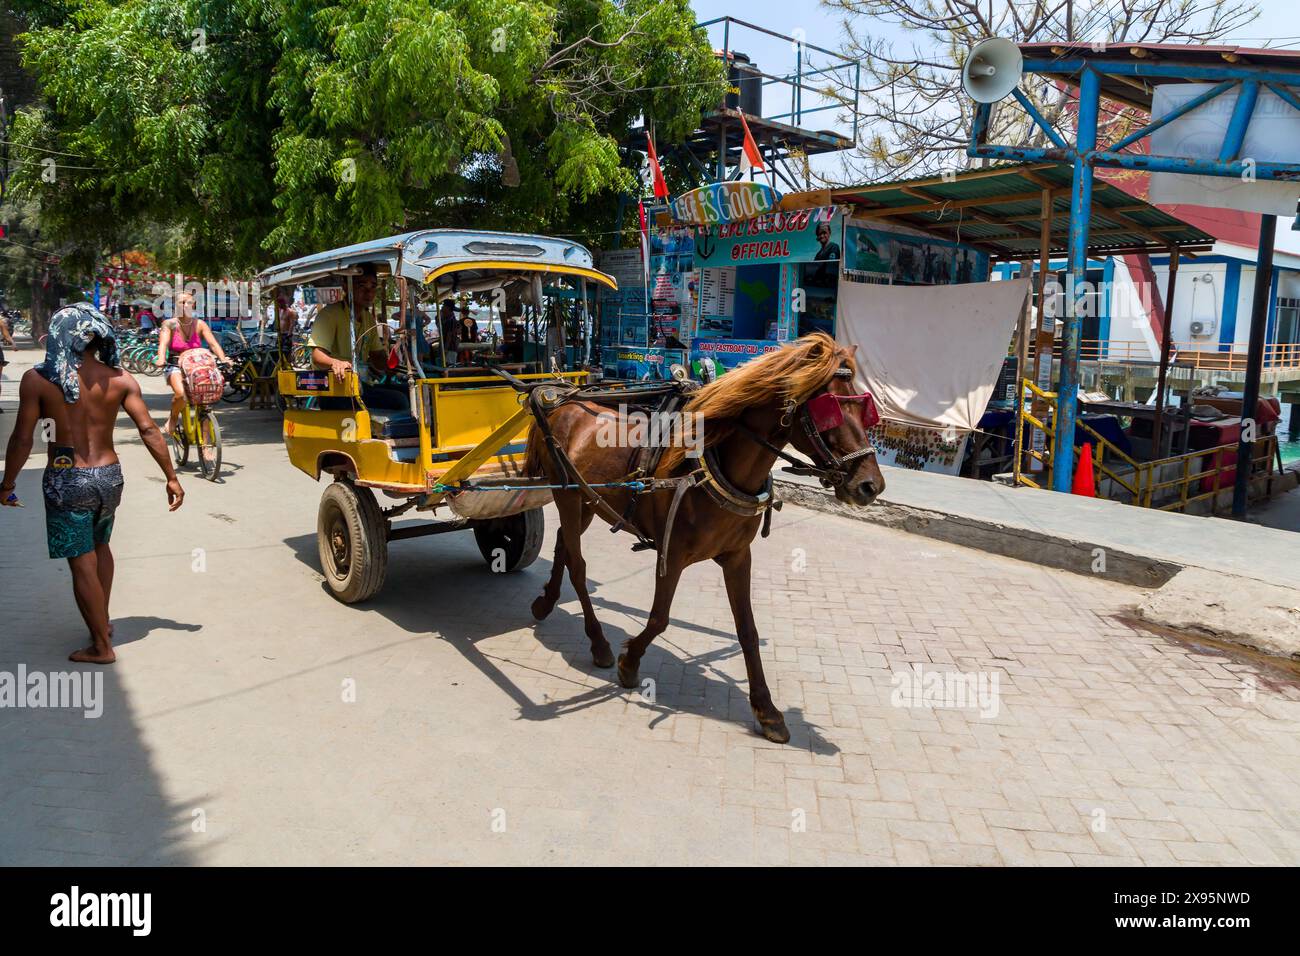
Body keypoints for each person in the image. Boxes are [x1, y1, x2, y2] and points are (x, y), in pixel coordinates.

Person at [1, 303, 184, 664]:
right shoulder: (120, 379)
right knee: (101, 546)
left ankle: (101, 645)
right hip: (109, 477)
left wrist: (7, 483)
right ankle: (102, 620)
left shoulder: (38, 381)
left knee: (80, 561)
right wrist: (172, 477)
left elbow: (23, 439)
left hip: (67, 479)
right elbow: (149, 429)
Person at [307, 266, 405, 407]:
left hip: (361, 384)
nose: (368, 292)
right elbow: (317, 356)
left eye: (373, 287)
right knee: (399, 400)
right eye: (362, 286)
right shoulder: (330, 314)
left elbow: (377, 355)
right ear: (346, 286)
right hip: (337, 390)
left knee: (409, 391)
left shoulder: (368, 319)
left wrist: (392, 365)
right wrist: (335, 363)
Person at [156, 290, 229, 435]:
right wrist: (161, 359)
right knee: (181, 394)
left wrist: (223, 358)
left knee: (205, 403)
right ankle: (173, 418)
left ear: (193, 305)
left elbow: (213, 344)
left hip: (197, 366)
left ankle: (206, 446)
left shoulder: (200, 324)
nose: (185, 305)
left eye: (188, 302)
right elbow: (163, 344)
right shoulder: (169, 324)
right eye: (181, 302)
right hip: (175, 365)